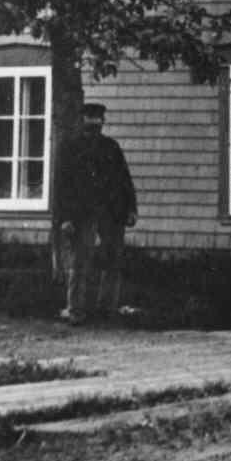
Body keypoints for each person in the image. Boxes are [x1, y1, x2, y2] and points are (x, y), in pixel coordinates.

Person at [51, 101, 138, 325]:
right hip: (81, 215)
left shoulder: (111, 147)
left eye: (97, 120)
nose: (93, 125)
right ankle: (76, 310)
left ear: (102, 122)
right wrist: (65, 218)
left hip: (111, 213)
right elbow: (61, 186)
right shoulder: (69, 148)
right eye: (89, 120)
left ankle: (106, 309)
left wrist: (131, 209)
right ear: (82, 121)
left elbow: (124, 180)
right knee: (80, 263)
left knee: (112, 262)